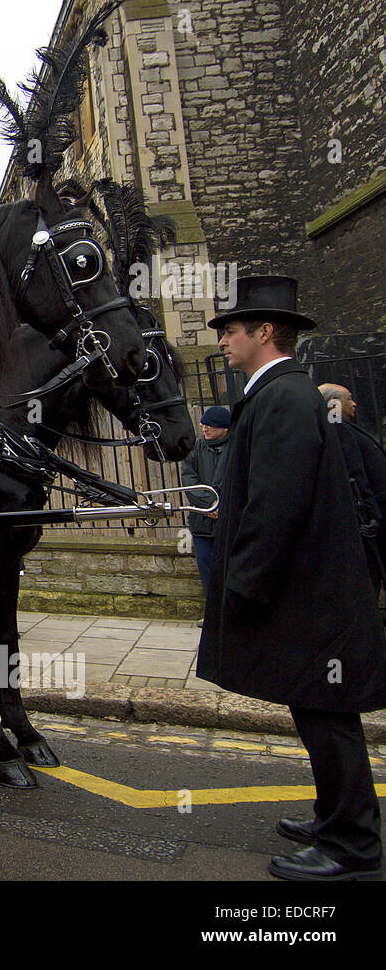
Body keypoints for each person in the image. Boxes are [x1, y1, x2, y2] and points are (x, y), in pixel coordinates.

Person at [200, 275, 386, 881]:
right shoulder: (280, 394)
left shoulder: (283, 397)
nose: (223, 340)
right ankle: (335, 815)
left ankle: (352, 844)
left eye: (231, 330)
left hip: (310, 595)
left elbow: (278, 503)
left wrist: (245, 583)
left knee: (327, 715)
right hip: (313, 591)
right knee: (318, 711)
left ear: (266, 332)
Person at [318, 383, 386, 594]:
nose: (354, 403)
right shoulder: (337, 427)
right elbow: (355, 474)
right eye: (349, 398)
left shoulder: (343, 426)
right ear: (334, 404)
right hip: (372, 514)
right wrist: (372, 514)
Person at [179, 405, 230, 625]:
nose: (204, 428)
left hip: (230, 522)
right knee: (207, 567)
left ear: (224, 428)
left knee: (231, 568)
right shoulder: (195, 450)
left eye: (210, 425)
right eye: (203, 424)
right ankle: (213, 613)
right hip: (202, 524)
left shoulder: (237, 449)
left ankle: (233, 612)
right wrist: (209, 504)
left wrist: (225, 506)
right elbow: (189, 481)